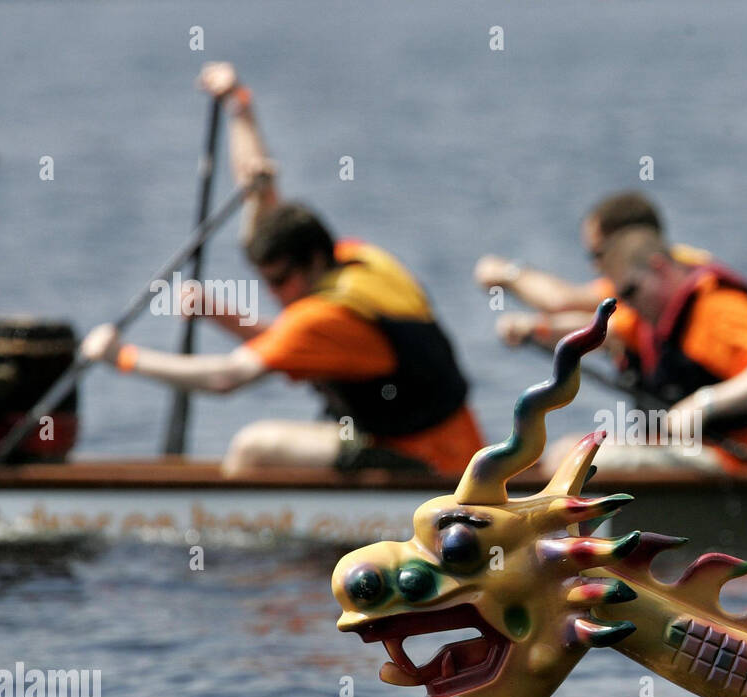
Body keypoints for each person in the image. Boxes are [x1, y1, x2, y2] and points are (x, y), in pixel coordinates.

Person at [80, 62, 484, 476]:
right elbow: (262, 198)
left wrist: (123, 357)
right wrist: (239, 107)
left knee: (254, 446)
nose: (274, 293)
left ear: (311, 262)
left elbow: (227, 377)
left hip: (430, 465)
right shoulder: (358, 259)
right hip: (445, 444)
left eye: (278, 281)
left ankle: (225, 533)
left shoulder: (326, 316)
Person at [590, 226, 747, 472]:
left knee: (589, 461)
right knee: (572, 451)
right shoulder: (650, 319)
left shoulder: (718, 309)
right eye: (621, 298)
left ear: (659, 267)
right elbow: (594, 332)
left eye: (631, 292)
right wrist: (537, 328)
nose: (629, 305)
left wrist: (704, 403)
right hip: (694, 455)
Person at [474, 191, 709, 363]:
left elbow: (566, 303)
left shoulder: (650, 278)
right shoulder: (647, 274)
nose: (595, 267)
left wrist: (507, 275)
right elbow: (602, 321)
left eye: (598, 254)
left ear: (626, 244)